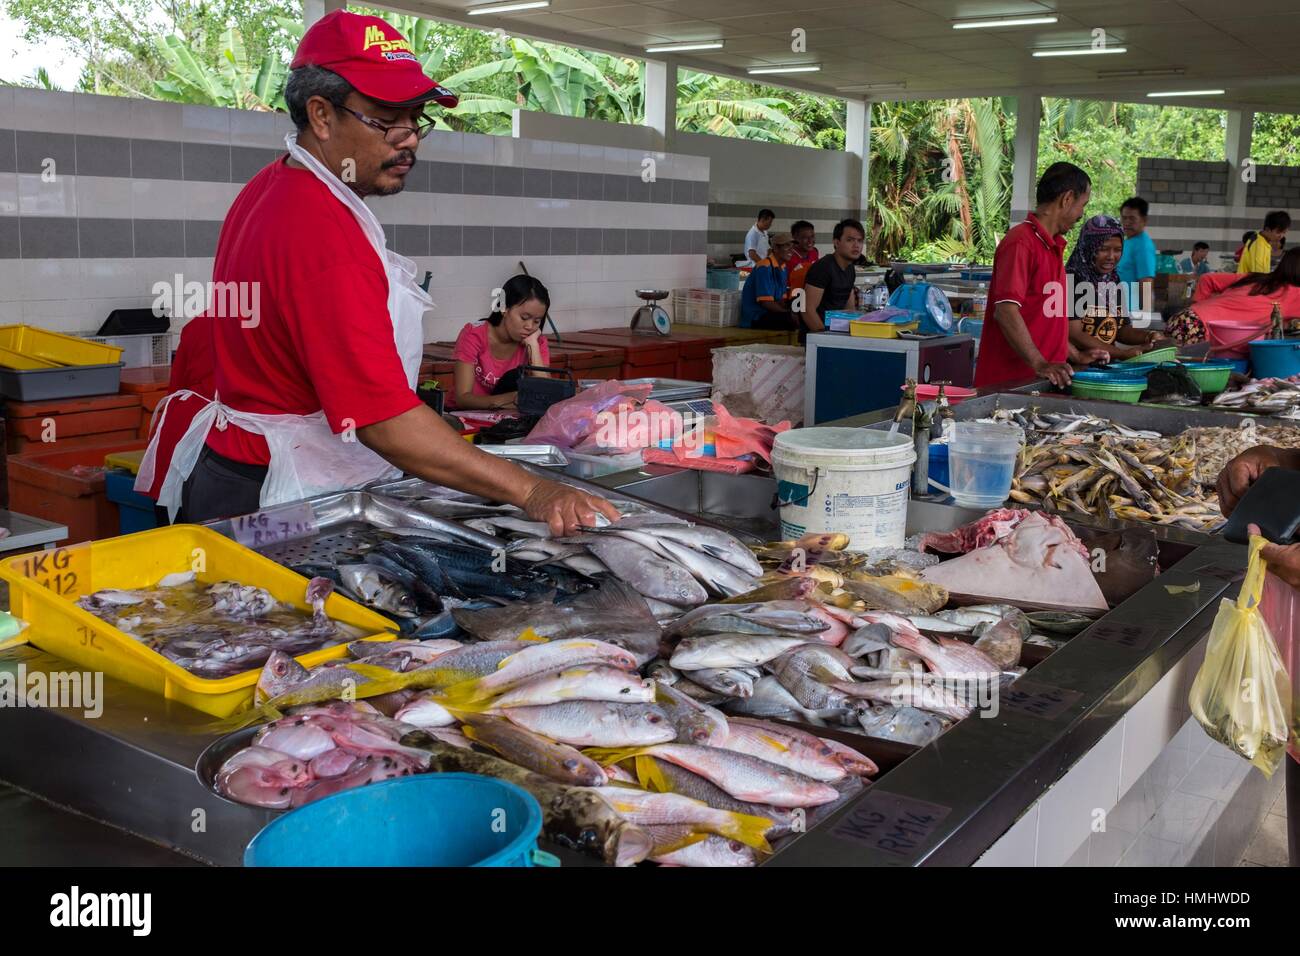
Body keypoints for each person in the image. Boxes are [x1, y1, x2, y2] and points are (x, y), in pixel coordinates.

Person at [135, 10, 616, 535]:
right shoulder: (321, 230)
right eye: (387, 119)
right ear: (321, 116)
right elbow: (384, 423)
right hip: (279, 493)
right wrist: (533, 489)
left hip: (238, 473)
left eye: (416, 120)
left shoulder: (276, 184)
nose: (407, 138)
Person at [975, 162, 1109, 389]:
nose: (1081, 215)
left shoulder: (1053, 247)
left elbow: (1044, 321)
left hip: (1040, 383)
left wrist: (1075, 355)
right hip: (1010, 384)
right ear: (1067, 199)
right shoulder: (1021, 242)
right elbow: (1006, 311)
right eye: (1082, 205)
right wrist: (1040, 363)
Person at [1166, 248, 1300, 358]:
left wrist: (1200, 310)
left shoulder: (1257, 278)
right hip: (1196, 329)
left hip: (1183, 318)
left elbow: (1207, 279)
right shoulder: (1295, 294)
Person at [1065, 215, 1164, 361]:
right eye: (1104, 249)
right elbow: (1074, 334)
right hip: (1076, 367)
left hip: (1106, 366)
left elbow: (1121, 329)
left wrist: (1148, 336)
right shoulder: (1072, 279)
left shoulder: (1113, 281)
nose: (1111, 256)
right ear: (1088, 247)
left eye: (1117, 250)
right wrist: (1120, 353)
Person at [449, 275, 551, 411]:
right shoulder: (474, 335)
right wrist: (511, 399)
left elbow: (547, 393)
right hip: (463, 416)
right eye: (524, 318)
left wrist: (533, 346)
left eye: (537, 321)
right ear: (504, 308)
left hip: (509, 418)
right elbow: (463, 399)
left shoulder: (536, 342)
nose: (530, 326)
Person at [800, 218, 865, 332]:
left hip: (836, 333)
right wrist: (825, 339)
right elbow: (806, 309)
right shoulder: (823, 267)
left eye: (860, 241)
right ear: (836, 242)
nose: (856, 245)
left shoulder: (850, 269)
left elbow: (849, 308)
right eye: (850, 240)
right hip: (816, 338)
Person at [740, 232, 796, 329]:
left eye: (792, 247)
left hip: (768, 312)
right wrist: (788, 313)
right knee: (791, 320)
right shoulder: (764, 267)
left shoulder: (782, 268)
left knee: (800, 316)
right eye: (787, 246)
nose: (792, 250)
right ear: (776, 248)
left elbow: (781, 300)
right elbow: (766, 303)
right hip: (756, 316)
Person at [1116, 196, 1157, 318]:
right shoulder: (1127, 242)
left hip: (1131, 314)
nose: (1127, 223)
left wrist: (1142, 319)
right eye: (1124, 218)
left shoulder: (1143, 245)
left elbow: (1146, 283)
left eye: (1132, 219)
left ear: (1144, 220)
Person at [786, 220, 819, 291]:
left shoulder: (814, 252)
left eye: (812, 236)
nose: (810, 241)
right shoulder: (787, 257)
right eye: (805, 237)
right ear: (794, 238)